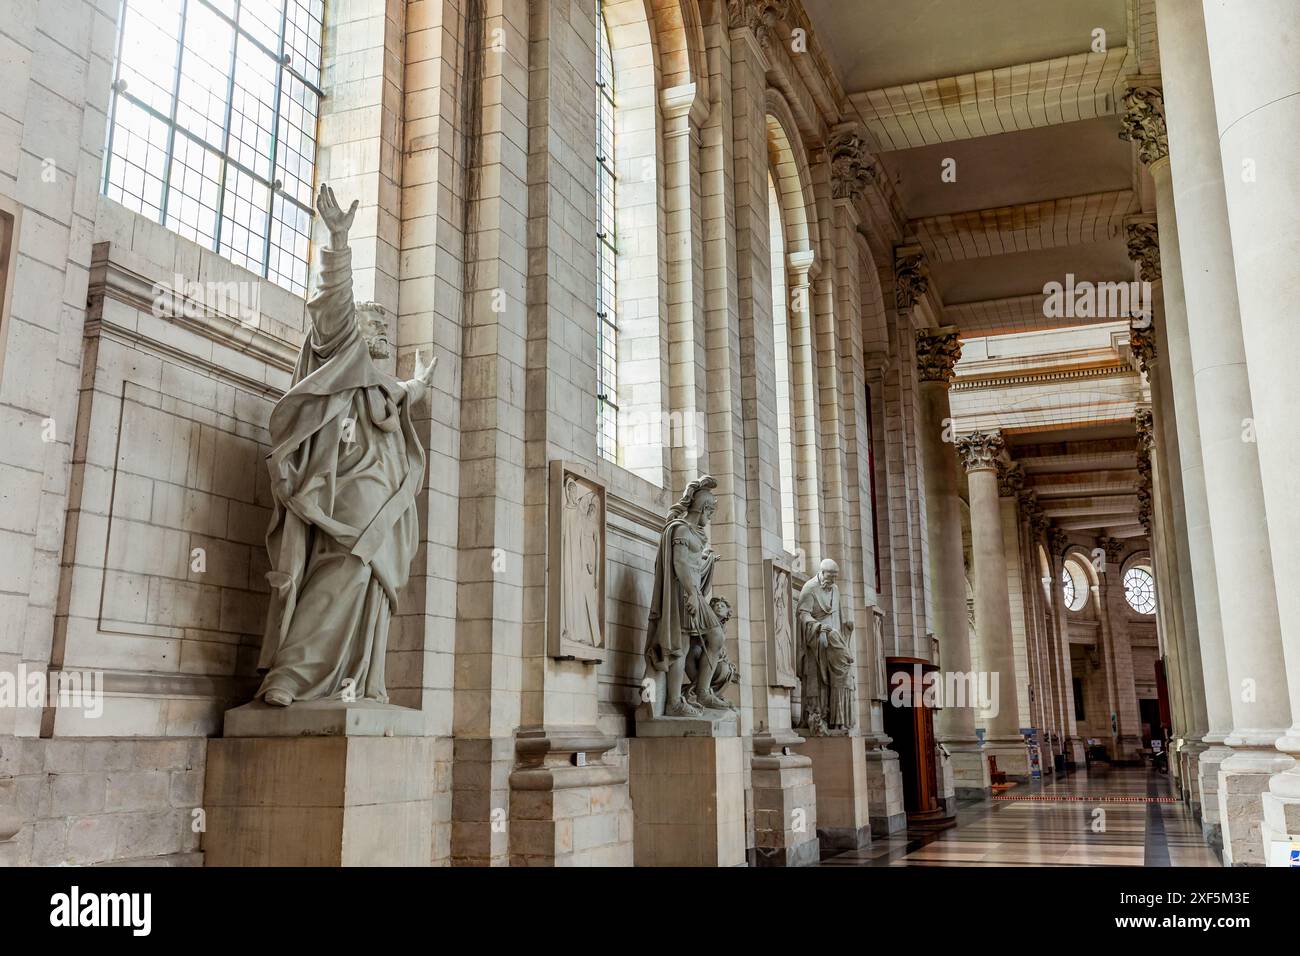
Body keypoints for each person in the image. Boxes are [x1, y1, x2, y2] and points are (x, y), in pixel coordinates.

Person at [255, 184, 436, 707]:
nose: (378, 329)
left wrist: (420, 382)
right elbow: (334, 316)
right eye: (371, 321)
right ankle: (289, 676)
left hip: (387, 503)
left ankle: (357, 684)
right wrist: (338, 241)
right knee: (340, 575)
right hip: (349, 498)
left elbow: (405, 393)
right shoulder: (346, 364)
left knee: (370, 590)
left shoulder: (385, 391)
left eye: (381, 324)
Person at [644, 475, 729, 716]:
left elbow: (691, 563)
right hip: (681, 595)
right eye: (710, 512)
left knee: (716, 638)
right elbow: (680, 564)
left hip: (693, 594)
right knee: (679, 646)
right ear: (703, 508)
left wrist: (707, 560)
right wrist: (692, 593)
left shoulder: (693, 532)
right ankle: (674, 702)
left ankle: (702, 691)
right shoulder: (680, 529)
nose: (710, 517)